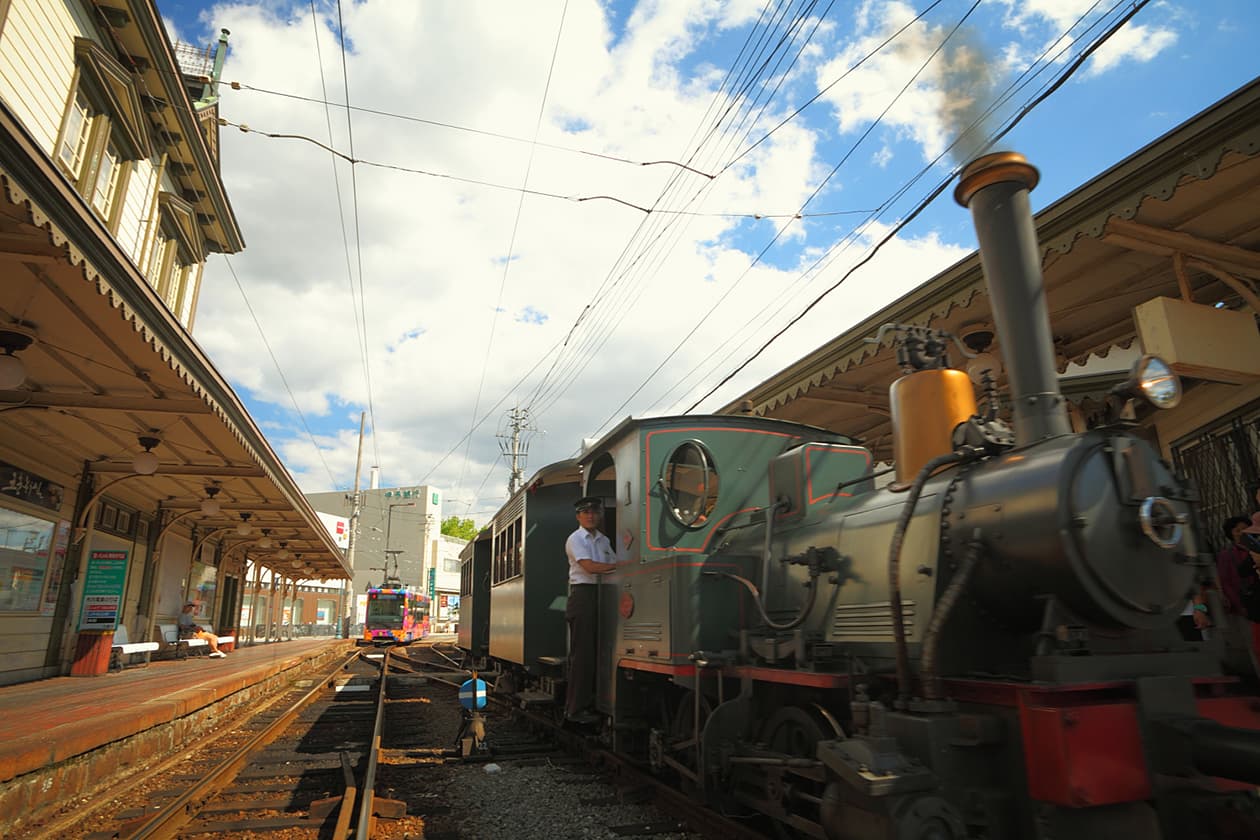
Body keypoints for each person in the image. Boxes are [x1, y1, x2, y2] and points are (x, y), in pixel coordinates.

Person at [564, 496, 616, 724]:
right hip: (583, 595)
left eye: (594, 511)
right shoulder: (575, 539)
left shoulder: (603, 541)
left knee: (600, 651)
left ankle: (595, 702)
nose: (591, 515)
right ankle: (575, 709)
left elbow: (611, 565)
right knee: (583, 654)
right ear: (578, 516)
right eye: (585, 512)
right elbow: (590, 567)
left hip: (603, 595)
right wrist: (623, 565)